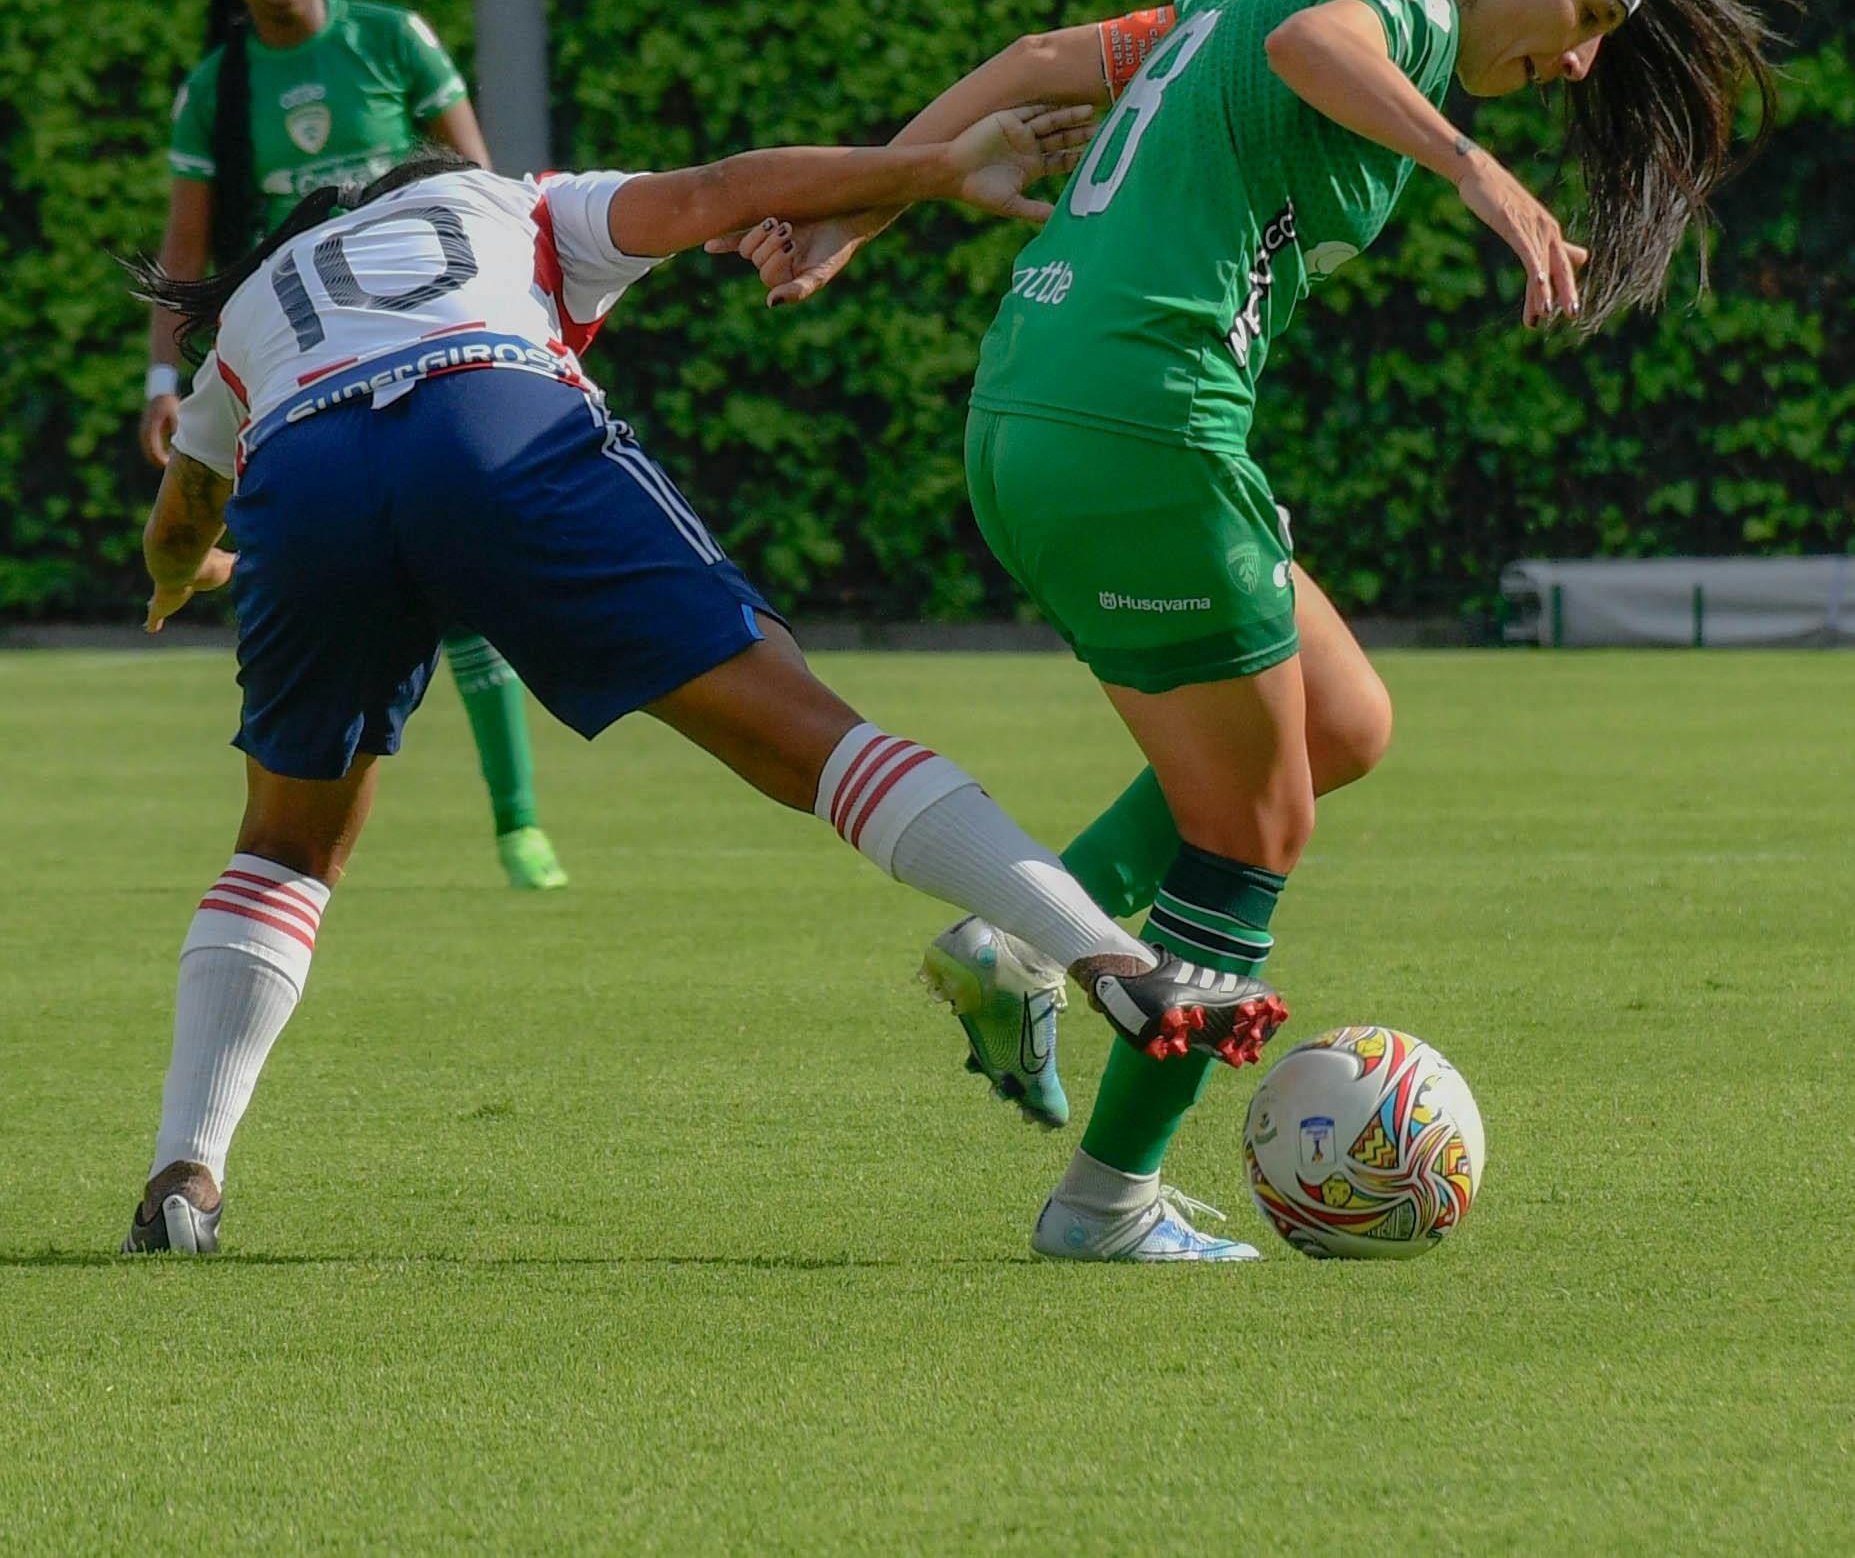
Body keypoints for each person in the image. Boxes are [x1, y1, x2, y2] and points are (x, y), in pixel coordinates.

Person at [715, 0, 1784, 1263]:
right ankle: (1105, 1203)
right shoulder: (1398, 2)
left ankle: (1021, 939)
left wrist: (863, 207)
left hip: (1040, 406)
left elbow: (1041, 65)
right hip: (1143, 424)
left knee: (1340, 715)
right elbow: (1316, 58)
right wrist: (1473, 171)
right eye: (1580, 10)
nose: (1578, 57)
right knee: (1252, 826)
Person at [118, 115, 1287, 1256]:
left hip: (309, 473)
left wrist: (184, 580)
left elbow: (183, 516)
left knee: (284, 849)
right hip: (491, 417)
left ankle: (186, 1169)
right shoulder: (505, 199)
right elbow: (721, 188)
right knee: (811, 740)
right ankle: (1111, 962)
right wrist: (932, 167)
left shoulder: (260, 299)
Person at [141, 0, 568, 892]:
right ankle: (299, 804)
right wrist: (163, 375)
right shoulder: (218, 87)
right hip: (299, 352)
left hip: (427, 335)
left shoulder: (390, 39)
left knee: (450, 563)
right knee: (345, 559)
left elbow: (489, 190)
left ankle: (518, 824)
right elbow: (189, 244)